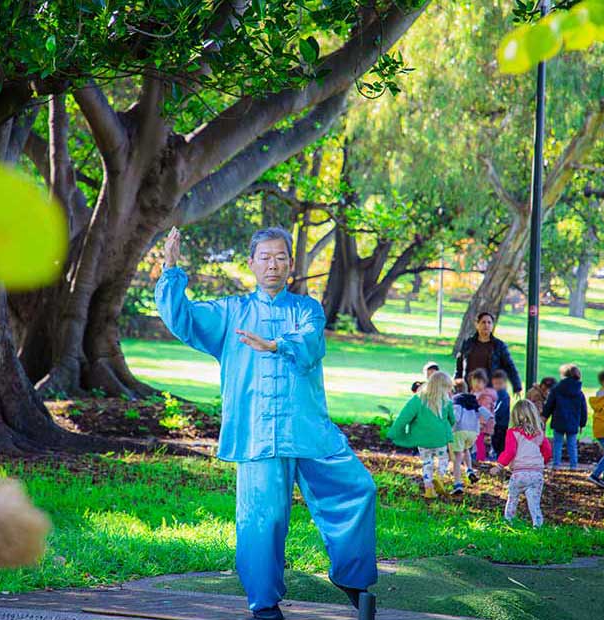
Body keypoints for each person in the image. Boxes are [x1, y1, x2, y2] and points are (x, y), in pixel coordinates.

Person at [155, 227, 376, 619]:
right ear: (252, 263)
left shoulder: (307, 309)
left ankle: (351, 576)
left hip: (308, 428)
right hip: (256, 432)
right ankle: (264, 606)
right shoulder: (230, 312)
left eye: (280, 258)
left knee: (357, 488)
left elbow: (310, 343)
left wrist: (275, 344)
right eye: (265, 257)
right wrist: (171, 268)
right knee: (263, 519)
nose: (272, 265)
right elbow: (183, 318)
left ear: (291, 264)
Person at [388, 372, 458, 499]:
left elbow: (404, 417)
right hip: (440, 439)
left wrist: (395, 432)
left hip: (423, 440)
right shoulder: (446, 402)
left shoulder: (418, 399)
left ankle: (429, 489)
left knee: (427, 462)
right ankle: (439, 477)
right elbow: (452, 420)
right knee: (443, 459)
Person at [491, 400, 552, 527]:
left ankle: (508, 522)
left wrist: (499, 466)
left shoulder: (513, 432)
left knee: (512, 499)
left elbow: (510, 452)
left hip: (519, 474)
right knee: (534, 503)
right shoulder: (540, 433)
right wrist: (541, 463)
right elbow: (547, 452)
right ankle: (538, 525)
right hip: (536, 474)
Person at [455, 312, 523, 396]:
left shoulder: (499, 345)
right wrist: (457, 384)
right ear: (477, 325)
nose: (486, 325)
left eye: (489, 322)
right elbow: (459, 367)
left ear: (492, 326)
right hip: (469, 388)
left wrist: (517, 386)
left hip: (489, 390)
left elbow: (509, 366)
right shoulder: (468, 344)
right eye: (483, 322)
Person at [543, 363, 587, 469]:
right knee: (572, 445)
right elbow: (583, 409)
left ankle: (556, 464)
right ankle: (573, 465)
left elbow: (550, 404)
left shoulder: (556, 390)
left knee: (557, 443)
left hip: (559, 421)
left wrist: (545, 416)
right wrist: (582, 423)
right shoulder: (579, 392)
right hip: (573, 422)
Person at [451, 381, 489, 493]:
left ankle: (457, 484)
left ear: (453, 390)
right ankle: (469, 470)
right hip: (473, 432)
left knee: (457, 457)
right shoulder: (472, 401)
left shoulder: (456, 400)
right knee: (466, 449)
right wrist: (485, 422)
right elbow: (486, 413)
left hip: (459, 430)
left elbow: (456, 417)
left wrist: (449, 423)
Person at [469, 368, 498, 462]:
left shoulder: (485, 396)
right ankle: (477, 457)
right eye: (475, 381)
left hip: (484, 424)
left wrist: (481, 423)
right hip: (475, 423)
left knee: (480, 442)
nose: (477, 384)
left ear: (484, 383)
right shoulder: (473, 394)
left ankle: (480, 459)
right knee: (476, 441)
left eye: (480, 382)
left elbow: (485, 411)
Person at [491, 369, 513, 459]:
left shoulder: (504, 395)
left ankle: (500, 457)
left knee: (500, 441)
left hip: (502, 423)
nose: (497, 386)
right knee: (495, 440)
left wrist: (493, 415)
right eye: (495, 383)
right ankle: (497, 454)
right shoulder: (494, 393)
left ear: (505, 384)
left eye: (500, 383)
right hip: (496, 423)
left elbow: (501, 408)